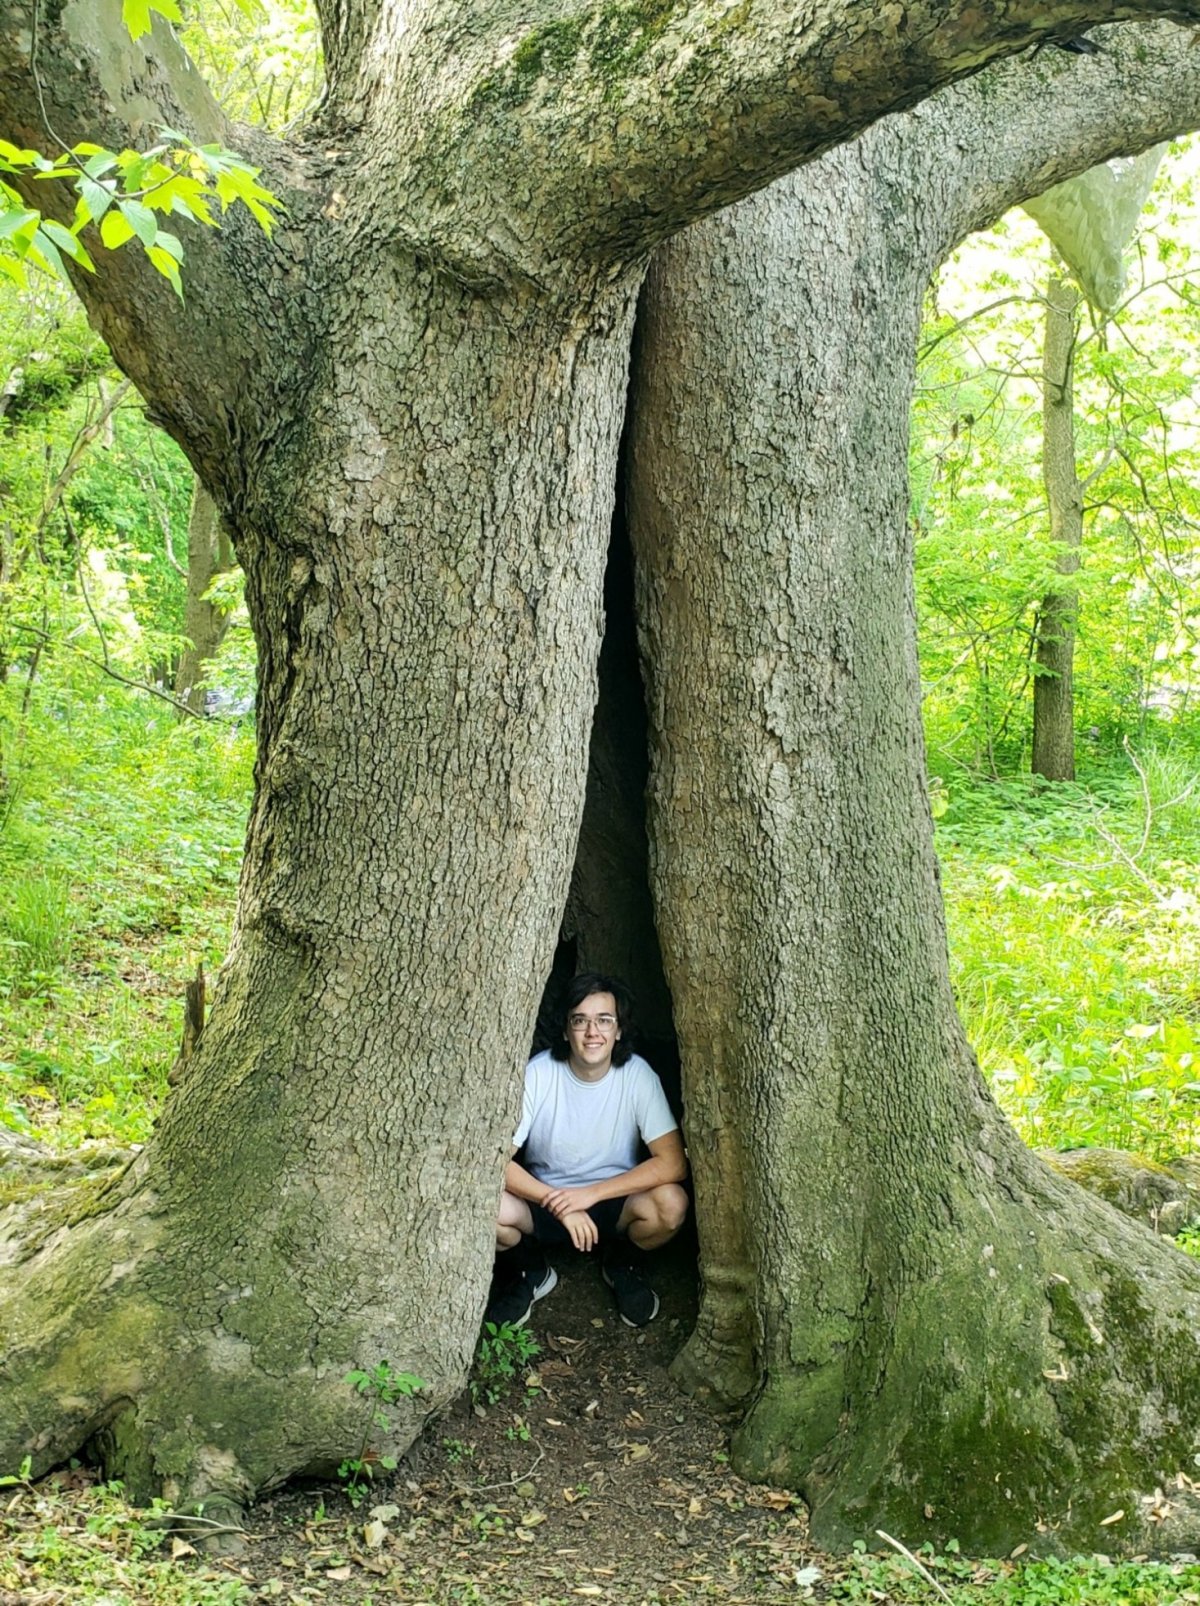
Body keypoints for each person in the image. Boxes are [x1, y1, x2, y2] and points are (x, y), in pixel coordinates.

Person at [487, 972, 688, 1329]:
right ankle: (530, 1271)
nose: (592, 1032)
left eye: (604, 1020)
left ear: (619, 1030)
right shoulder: (540, 1073)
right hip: (543, 1197)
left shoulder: (637, 1075)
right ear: (566, 1030)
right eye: (580, 1021)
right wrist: (560, 1202)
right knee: (483, 1206)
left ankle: (621, 1263)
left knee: (671, 1204)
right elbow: (493, 1160)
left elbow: (673, 1163)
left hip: (614, 1200)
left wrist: (589, 1195)